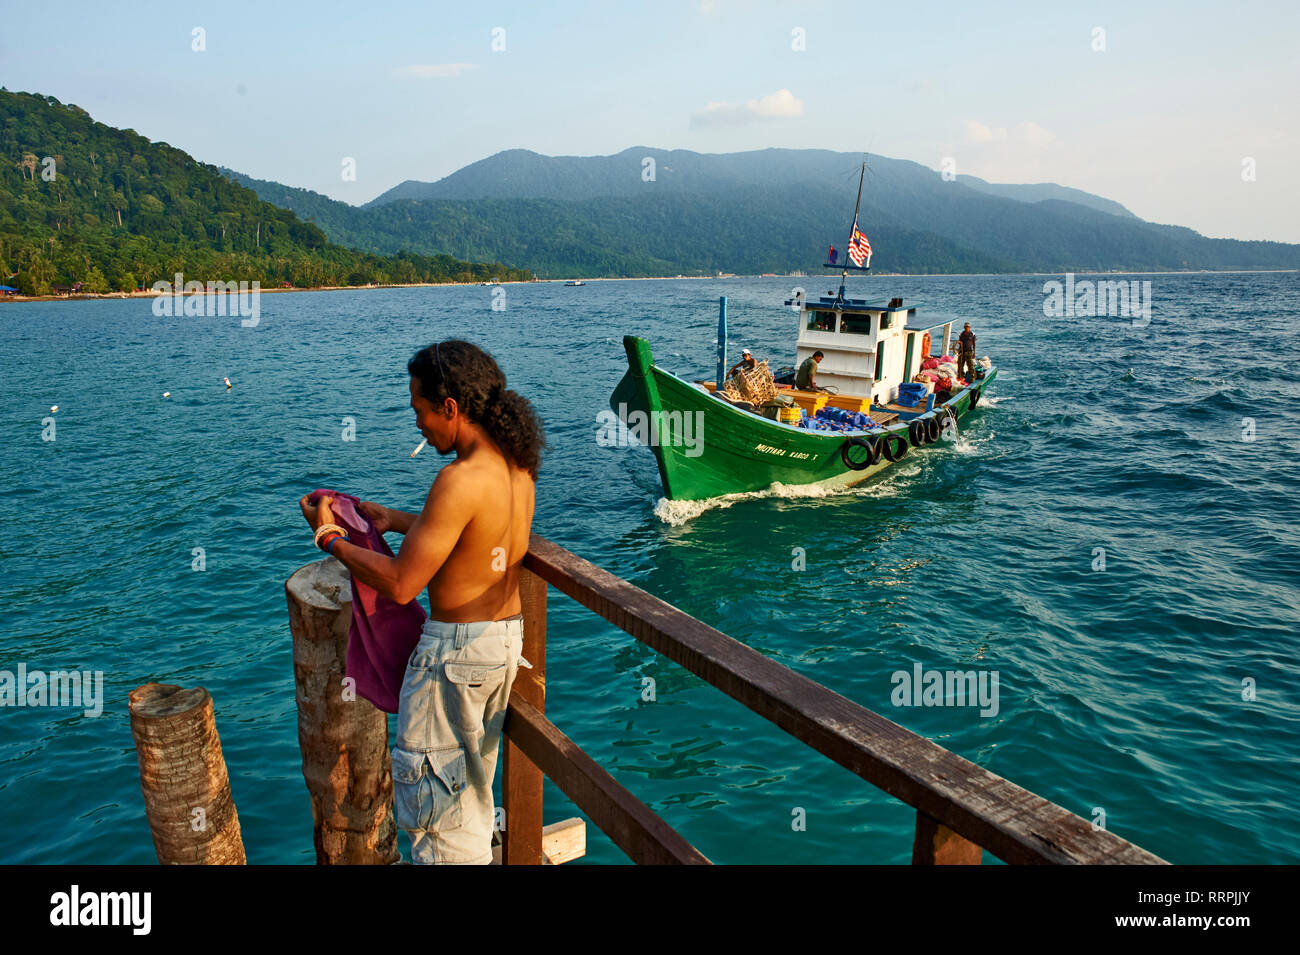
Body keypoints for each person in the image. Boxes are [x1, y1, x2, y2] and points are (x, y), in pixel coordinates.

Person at [299, 340, 545, 865]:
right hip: (500, 647)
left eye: (420, 410)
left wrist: (330, 539)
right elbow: (474, 537)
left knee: (436, 823)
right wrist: (397, 520)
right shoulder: (516, 467)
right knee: (469, 804)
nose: (418, 425)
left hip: (453, 658)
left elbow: (402, 584)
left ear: (450, 408)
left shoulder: (457, 479)